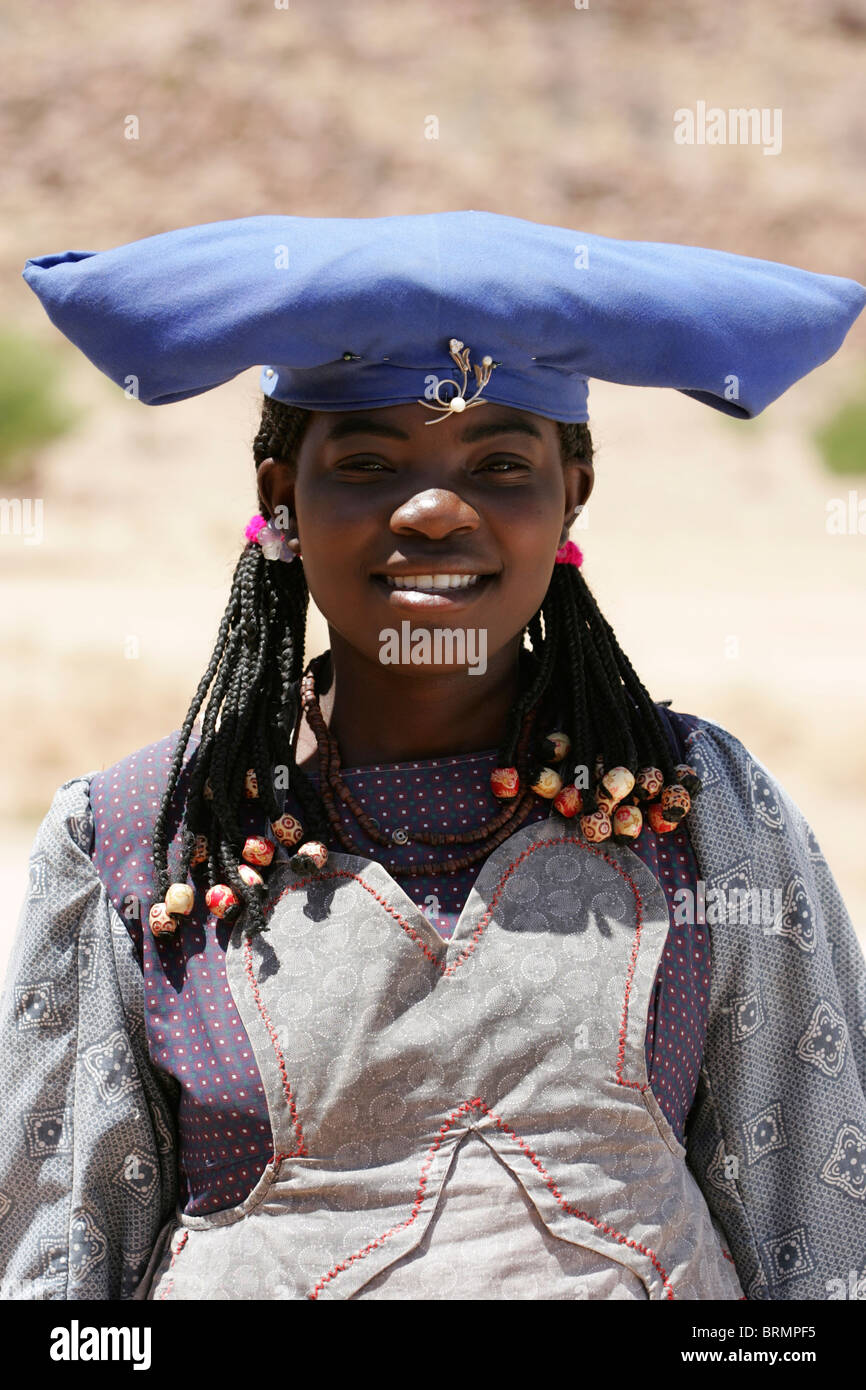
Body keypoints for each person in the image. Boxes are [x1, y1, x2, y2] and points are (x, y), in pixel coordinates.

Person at [2, 211, 865, 1301]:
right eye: (365, 461)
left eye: (500, 461)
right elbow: (59, 1270)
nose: (433, 510)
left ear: (571, 495)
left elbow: (818, 1234)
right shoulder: (141, 834)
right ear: (281, 498)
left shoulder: (692, 810)